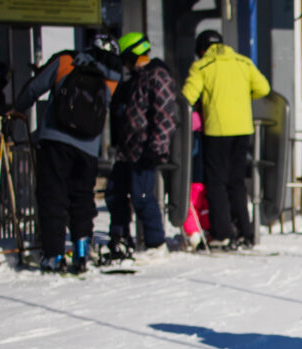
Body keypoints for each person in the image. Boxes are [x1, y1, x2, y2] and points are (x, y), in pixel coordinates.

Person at [9, 40, 122, 273]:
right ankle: (81, 253)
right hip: (88, 147)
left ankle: (54, 256)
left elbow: (34, 88)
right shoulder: (112, 77)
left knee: (53, 197)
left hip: (55, 139)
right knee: (82, 199)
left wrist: (18, 108)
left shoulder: (65, 61)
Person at [181, 29, 270, 250]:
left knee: (217, 183)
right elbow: (263, 88)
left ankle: (222, 233)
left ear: (202, 50)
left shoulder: (202, 66)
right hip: (243, 129)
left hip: (216, 131)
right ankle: (245, 232)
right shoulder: (243, 62)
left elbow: (187, 97)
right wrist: (241, 96)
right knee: (236, 181)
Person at [106, 31, 178, 259]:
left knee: (142, 196)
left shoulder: (157, 76)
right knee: (115, 192)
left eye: (125, 59)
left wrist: (157, 147)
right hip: (127, 150)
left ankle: (156, 242)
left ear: (131, 56)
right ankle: (120, 237)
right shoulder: (136, 79)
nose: (124, 65)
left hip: (145, 149)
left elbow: (165, 115)